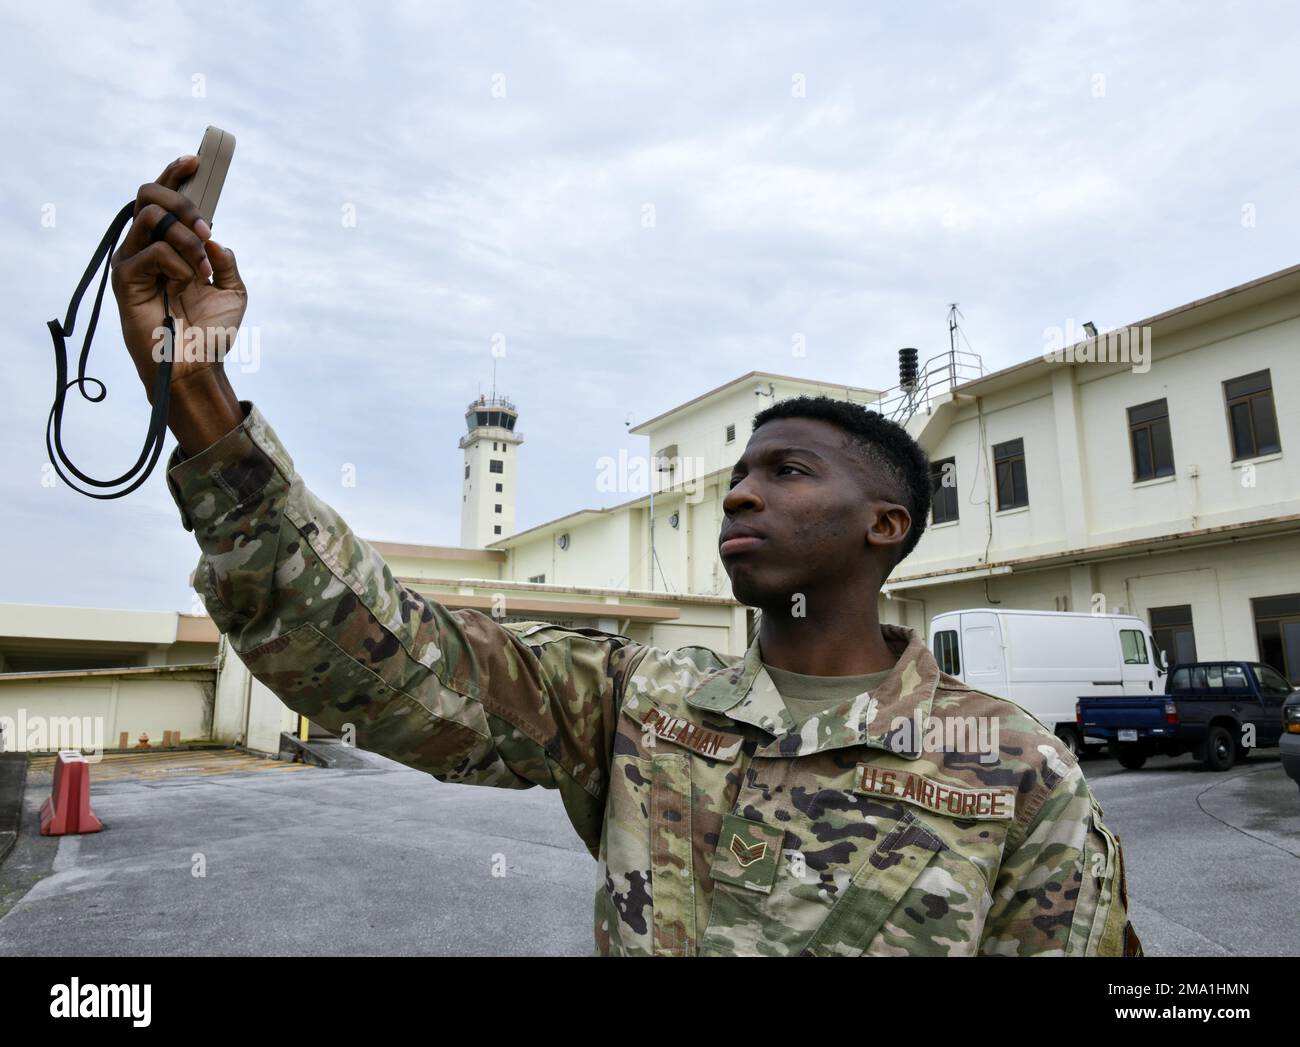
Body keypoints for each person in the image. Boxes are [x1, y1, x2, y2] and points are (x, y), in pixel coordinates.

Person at [109, 156, 1142, 957]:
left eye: (787, 472)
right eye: (741, 472)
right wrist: (194, 382)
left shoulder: (1014, 769)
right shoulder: (642, 700)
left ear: (885, 525)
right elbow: (379, 656)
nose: (740, 489)